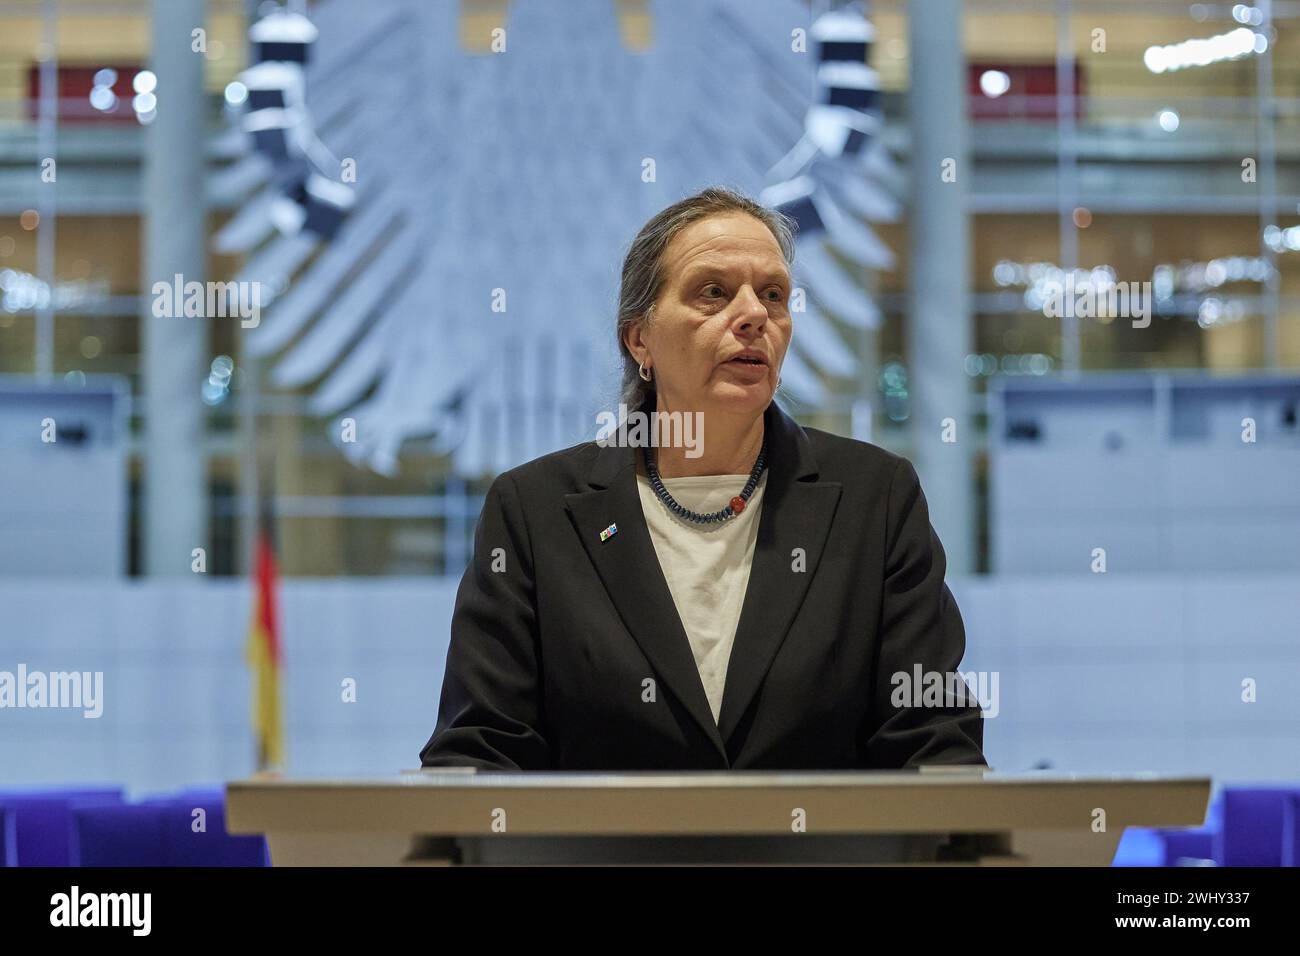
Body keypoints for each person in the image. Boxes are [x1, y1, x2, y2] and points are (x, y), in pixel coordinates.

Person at [420, 186, 985, 770]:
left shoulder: (876, 499)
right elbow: (480, 750)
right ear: (639, 339)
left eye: (773, 295)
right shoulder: (534, 511)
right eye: (713, 292)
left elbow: (933, 739)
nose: (754, 315)